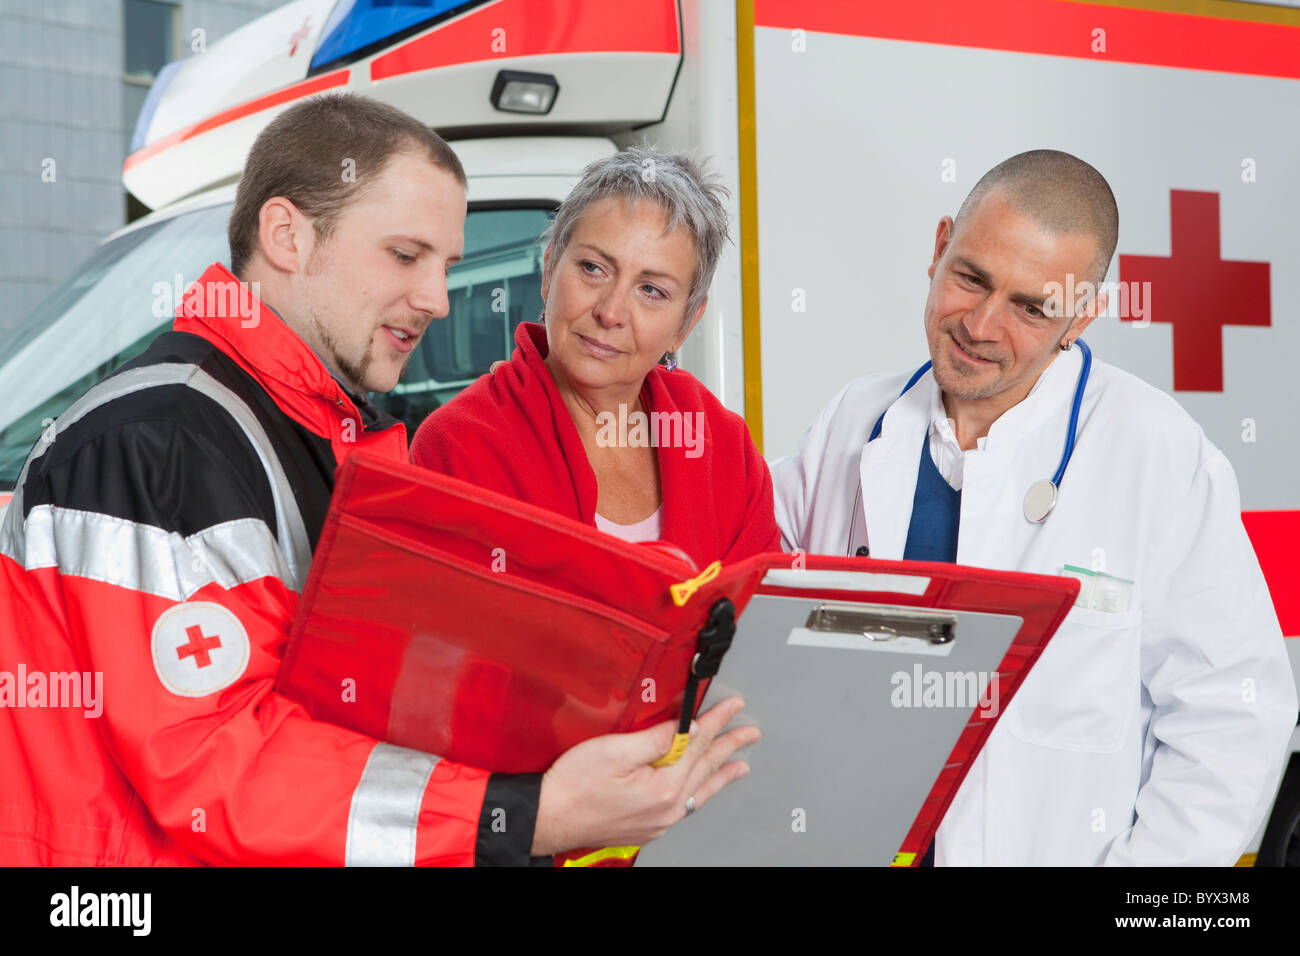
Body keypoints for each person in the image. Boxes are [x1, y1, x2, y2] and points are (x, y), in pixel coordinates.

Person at [0, 94, 753, 867]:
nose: (434, 299)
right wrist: (520, 815)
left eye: (446, 267)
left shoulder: (313, 438)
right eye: (405, 256)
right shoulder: (158, 439)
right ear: (287, 236)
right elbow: (220, 771)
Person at [772, 149, 1297, 866]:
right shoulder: (853, 423)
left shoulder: (1157, 452)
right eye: (971, 278)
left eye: (1031, 307)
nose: (982, 325)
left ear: (1081, 316)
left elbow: (1234, 717)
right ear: (937, 248)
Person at [411, 147, 780, 570]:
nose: (610, 312)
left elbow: (760, 619)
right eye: (592, 268)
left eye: (652, 291)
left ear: (686, 325)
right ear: (549, 271)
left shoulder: (723, 445)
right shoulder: (460, 444)